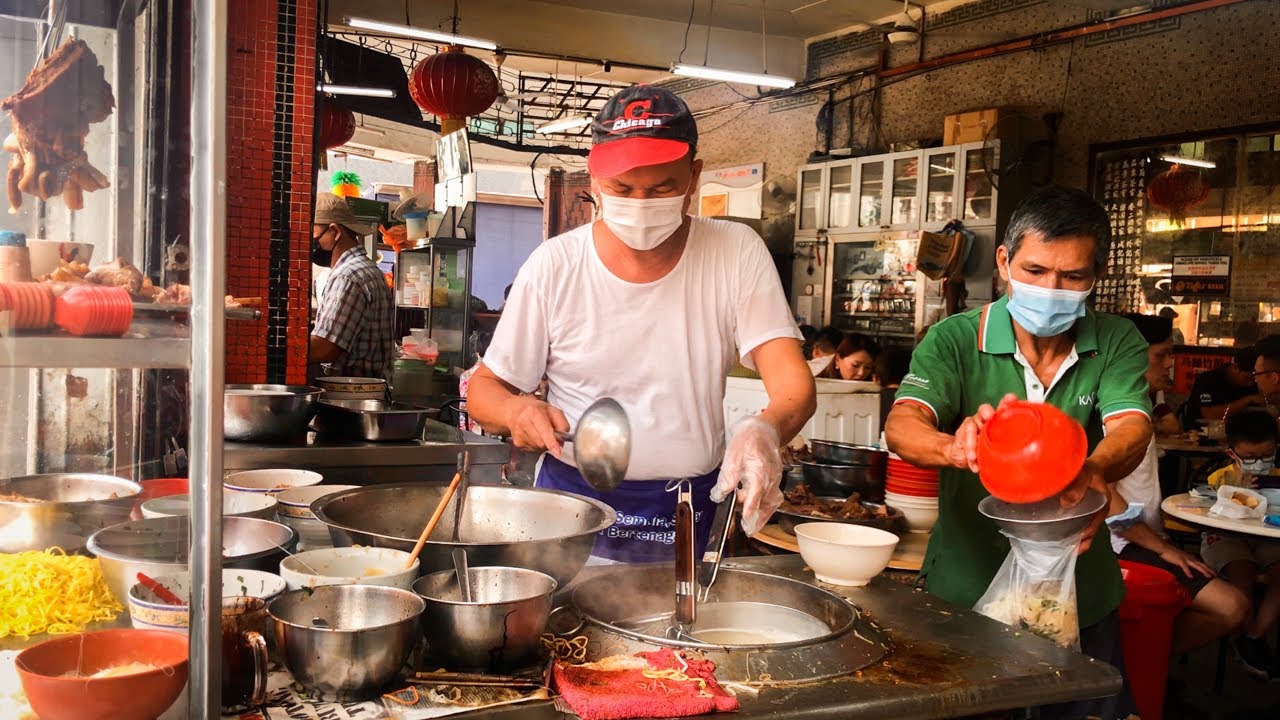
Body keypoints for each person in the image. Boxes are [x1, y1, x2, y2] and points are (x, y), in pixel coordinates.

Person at [466, 84, 815, 563]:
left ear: (694, 177)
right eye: (623, 189)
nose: (641, 204)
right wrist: (516, 412)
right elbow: (484, 389)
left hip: (685, 505)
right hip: (569, 504)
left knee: (676, 634)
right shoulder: (554, 265)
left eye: (662, 189)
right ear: (595, 174)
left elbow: (794, 385)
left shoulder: (735, 251)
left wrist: (767, 428)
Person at [885, 186, 1153, 719]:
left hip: (1082, 594)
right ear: (1005, 262)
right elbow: (902, 425)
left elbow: (1132, 428)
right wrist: (953, 446)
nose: (1051, 289)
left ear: (1095, 276)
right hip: (966, 591)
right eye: (1035, 271)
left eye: (1072, 277)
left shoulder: (1118, 340)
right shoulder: (954, 341)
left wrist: (1094, 469)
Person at [1107, 313, 1248, 658]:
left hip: (1144, 537)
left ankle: (1143, 672)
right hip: (1118, 545)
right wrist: (1163, 547)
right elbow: (1102, 495)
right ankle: (1134, 672)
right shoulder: (1111, 414)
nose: (1171, 362)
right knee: (1231, 606)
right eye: (1162, 354)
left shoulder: (1144, 402)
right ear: (1130, 354)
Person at [1200, 408, 1280, 679]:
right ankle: (1245, 638)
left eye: (1266, 455)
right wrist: (1233, 490)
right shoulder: (1219, 478)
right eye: (1249, 457)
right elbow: (1203, 509)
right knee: (1242, 574)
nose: (1258, 463)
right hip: (1225, 535)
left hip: (1269, 535)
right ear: (1231, 452)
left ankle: (1252, 637)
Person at [309, 194, 395, 381]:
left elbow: (326, 348)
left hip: (348, 396)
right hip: (365, 392)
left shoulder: (348, 276)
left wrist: (280, 346)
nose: (311, 244)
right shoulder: (367, 269)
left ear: (334, 231)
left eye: (314, 236)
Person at [1182, 345, 1262, 425]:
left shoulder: (1252, 384)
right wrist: (1246, 401)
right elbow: (1209, 414)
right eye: (1249, 378)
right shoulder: (1207, 380)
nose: (1251, 383)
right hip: (1201, 433)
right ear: (1235, 368)